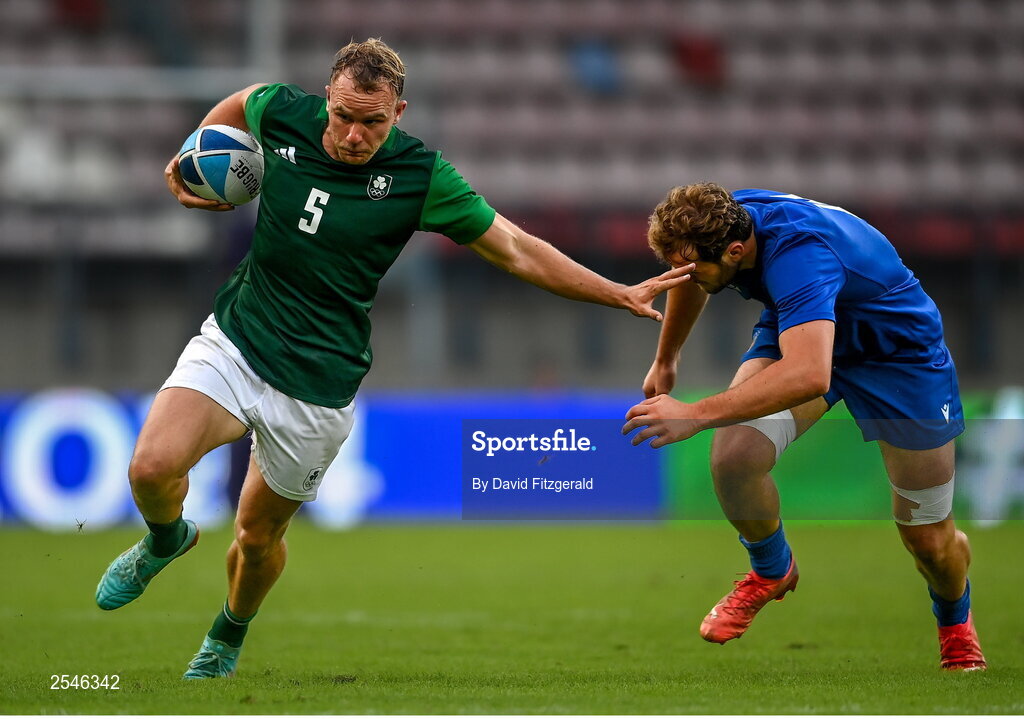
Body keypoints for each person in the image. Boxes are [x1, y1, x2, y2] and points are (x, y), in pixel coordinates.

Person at [94, 38, 692, 679]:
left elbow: (516, 248)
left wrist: (616, 292)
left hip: (319, 382)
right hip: (238, 340)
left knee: (257, 537)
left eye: (372, 122)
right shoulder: (282, 111)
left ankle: (226, 636)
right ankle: (165, 540)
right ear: (327, 98)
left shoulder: (419, 176)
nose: (354, 135)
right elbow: (240, 103)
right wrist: (193, 153)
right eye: (343, 116)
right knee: (151, 467)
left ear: (399, 112)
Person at [622, 182, 986, 671]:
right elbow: (690, 274)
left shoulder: (799, 258)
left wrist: (694, 413)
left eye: (696, 266)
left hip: (898, 357)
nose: (684, 274)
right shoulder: (725, 219)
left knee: (929, 540)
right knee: (734, 458)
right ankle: (771, 570)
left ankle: (956, 625)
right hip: (804, 327)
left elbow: (809, 374)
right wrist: (667, 358)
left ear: (735, 252)